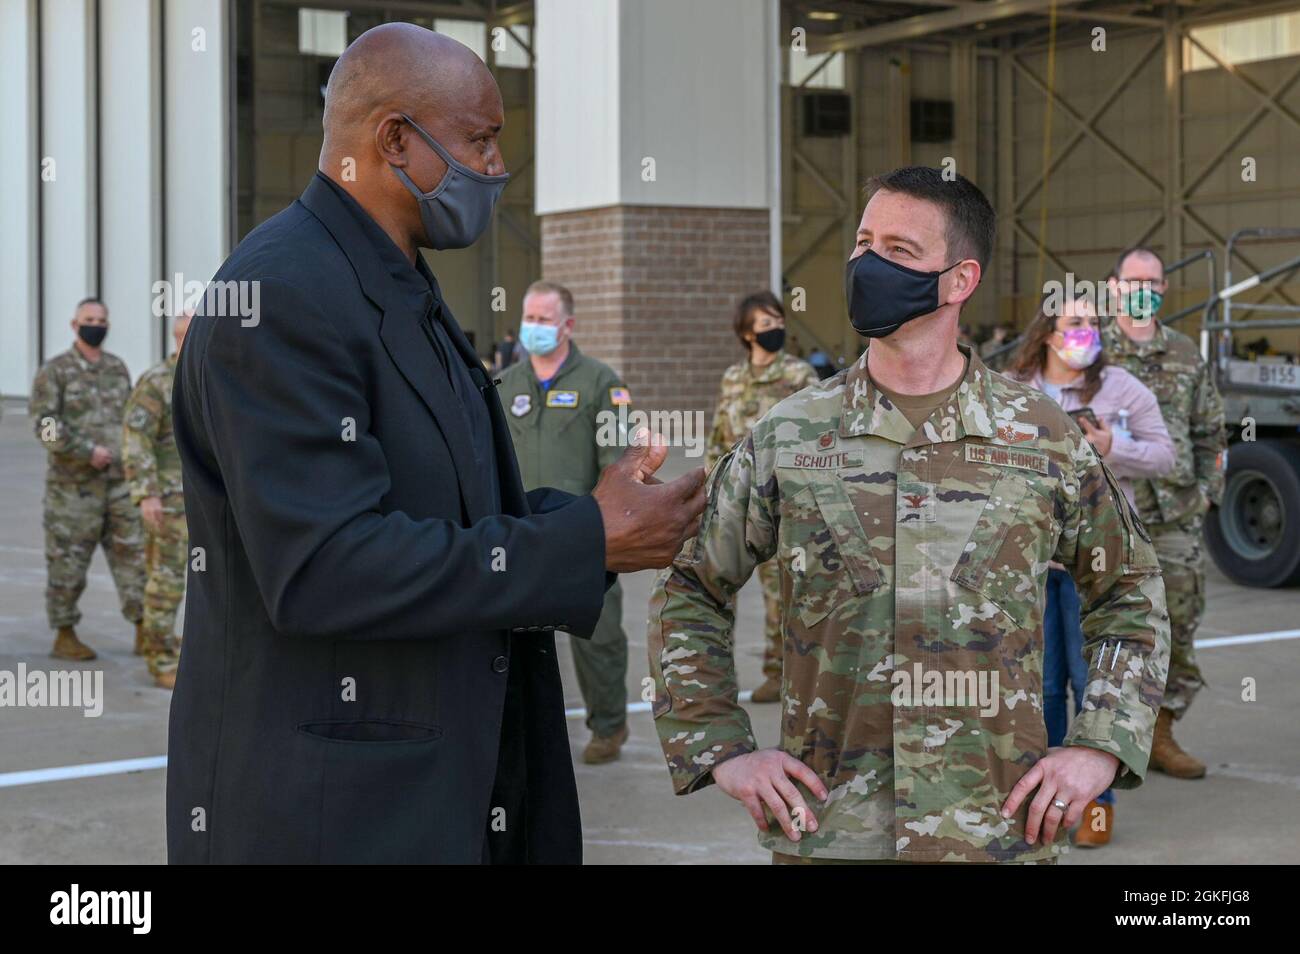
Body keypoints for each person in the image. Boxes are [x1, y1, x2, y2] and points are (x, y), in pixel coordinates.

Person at [166, 24, 704, 865]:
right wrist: (584, 537)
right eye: (480, 141)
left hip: (432, 789)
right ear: (393, 140)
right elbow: (325, 566)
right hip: (332, 815)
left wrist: (601, 526)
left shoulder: (392, 284)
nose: (495, 168)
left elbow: (440, 513)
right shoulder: (281, 297)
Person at [648, 166, 1170, 864]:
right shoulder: (791, 433)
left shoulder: (1041, 436)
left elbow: (1130, 592)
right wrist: (722, 749)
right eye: (863, 243)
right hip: (832, 833)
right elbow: (691, 588)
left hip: (995, 832)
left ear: (959, 280)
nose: (868, 264)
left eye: (898, 250)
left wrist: (1101, 745)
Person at [1007, 293, 1174, 847]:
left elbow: (1165, 456)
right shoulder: (1012, 388)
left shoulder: (1123, 388)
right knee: (1042, 686)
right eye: (1075, 323)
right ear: (1049, 332)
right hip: (1029, 565)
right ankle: (1046, 802)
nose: (1088, 332)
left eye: (1094, 323)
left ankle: (1097, 812)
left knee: (1092, 684)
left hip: (1094, 565)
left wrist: (1112, 445)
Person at [1103, 246, 1226, 780]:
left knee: (1178, 625)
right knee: (1104, 628)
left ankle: (1160, 733)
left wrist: (1206, 495)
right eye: (1133, 281)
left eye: (1153, 281)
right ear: (1113, 288)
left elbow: (1211, 431)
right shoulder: (1088, 349)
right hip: (1106, 514)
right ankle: (1104, 741)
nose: (1143, 290)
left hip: (1175, 515)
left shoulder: (1185, 354)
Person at [499, 280, 633, 764]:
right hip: (519, 532)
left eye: (542, 319)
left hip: (583, 531)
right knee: (514, 640)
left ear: (567, 325)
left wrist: (610, 524)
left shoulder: (601, 382)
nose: (532, 327)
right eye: (528, 318)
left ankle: (609, 725)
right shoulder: (504, 383)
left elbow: (618, 461)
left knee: (601, 637)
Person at [704, 291, 818, 704]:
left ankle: (779, 672)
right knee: (718, 592)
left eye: (778, 321)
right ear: (747, 333)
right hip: (734, 505)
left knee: (781, 594)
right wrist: (708, 491)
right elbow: (718, 436)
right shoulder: (733, 378)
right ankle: (717, 678)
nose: (776, 330)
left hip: (781, 501)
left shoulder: (800, 376)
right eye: (765, 324)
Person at [29, 298, 145, 662]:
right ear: (74, 324)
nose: (96, 324)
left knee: (134, 557)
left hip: (119, 484)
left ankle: (145, 629)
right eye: (89, 319)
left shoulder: (116, 368)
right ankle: (64, 634)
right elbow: (44, 426)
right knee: (68, 563)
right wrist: (84, 450)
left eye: (101, 319)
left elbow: (129, 419)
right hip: (73, 490)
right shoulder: (56, 371)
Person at [121, 311, 194, 689]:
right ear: (174, 337)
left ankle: (166, 639)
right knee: (165, 580)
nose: (189, 341)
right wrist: (146, 493)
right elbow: (136, 440)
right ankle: (161, 657)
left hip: (204, 502)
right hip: (167, 501)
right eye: (183, 335)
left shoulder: (210, 374)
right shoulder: (157, 383)